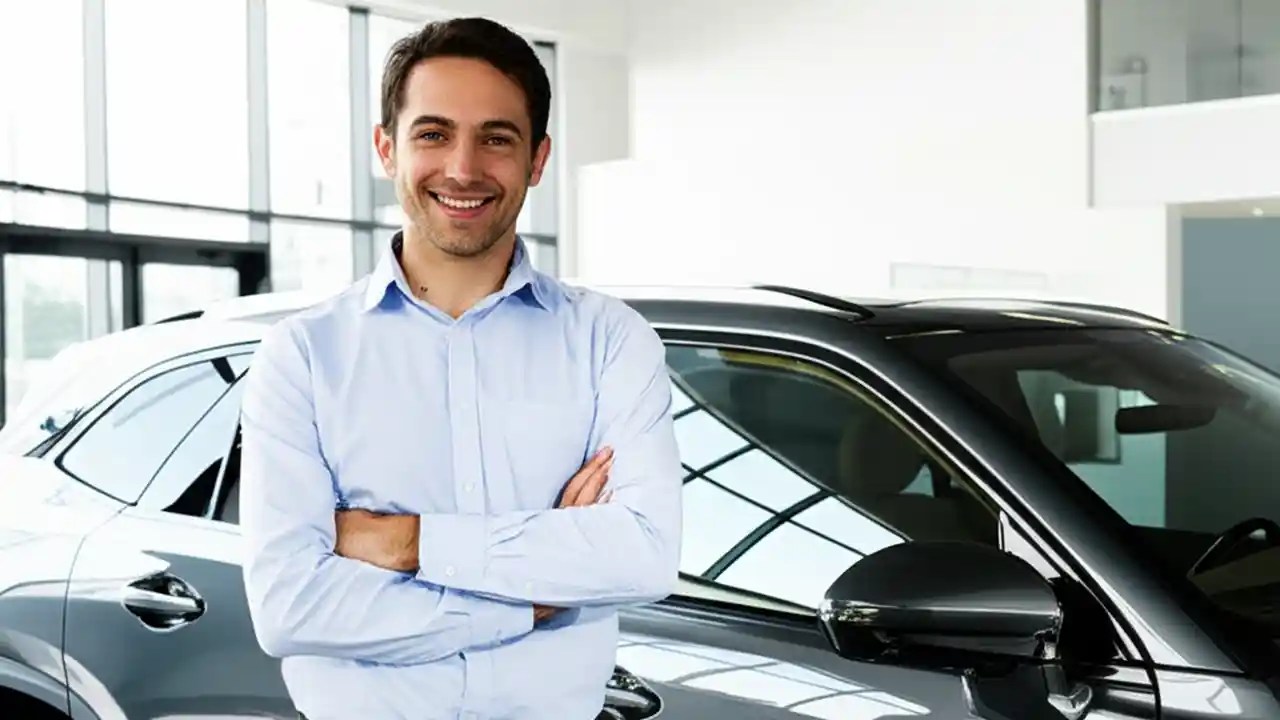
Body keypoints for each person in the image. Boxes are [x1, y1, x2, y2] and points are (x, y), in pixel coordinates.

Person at [237, 16, 683, 720]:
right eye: (433, 134)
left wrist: (406, 541)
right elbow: (290, 608)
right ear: (387, 148)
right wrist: (531, 597)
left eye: (496, 138)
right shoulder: (303, 356)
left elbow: (644, 554)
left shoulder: (610, 340)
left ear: (538, 159)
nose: (464, 169)